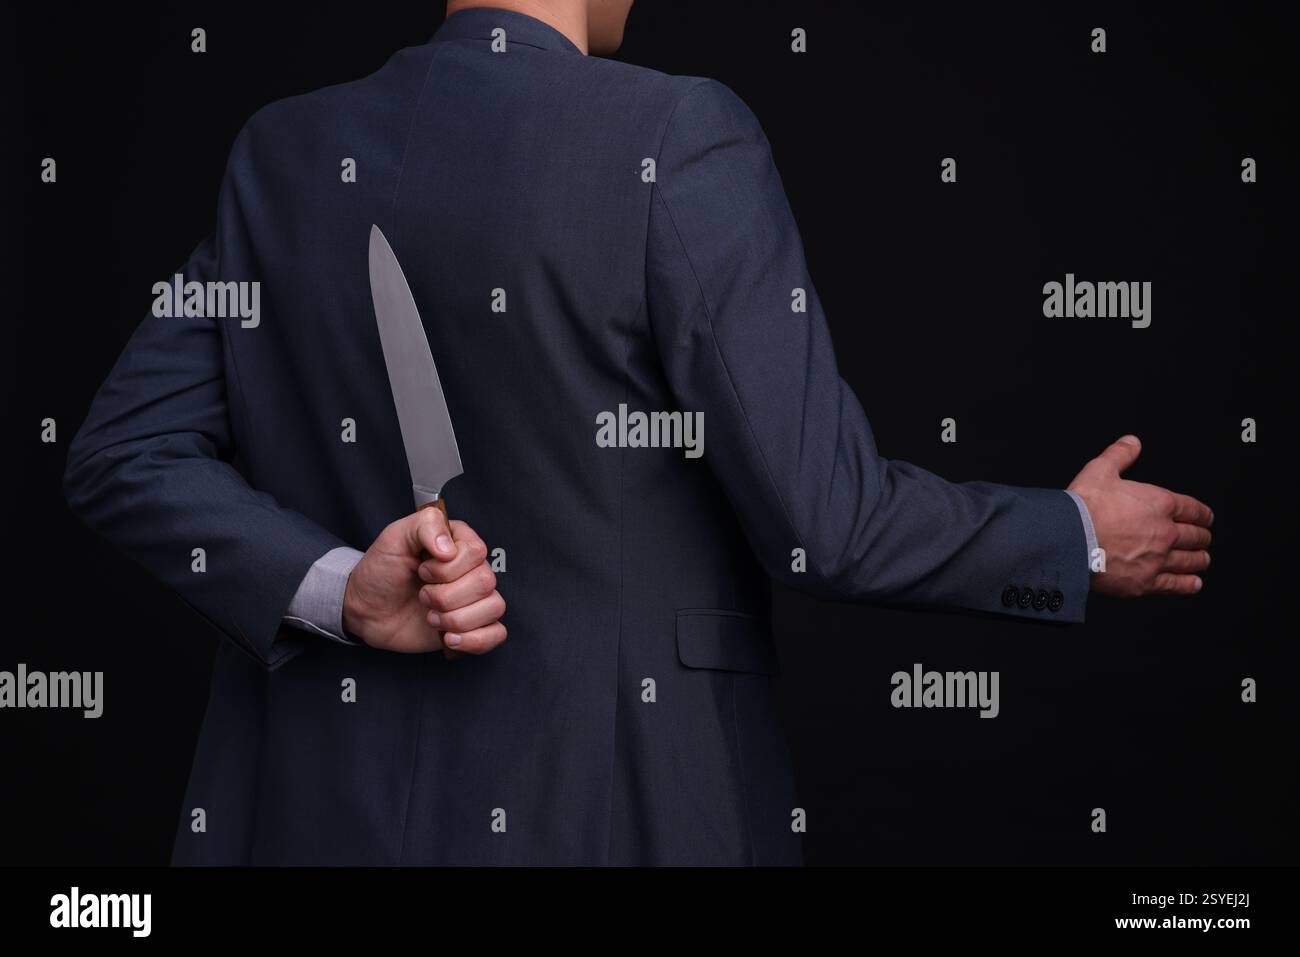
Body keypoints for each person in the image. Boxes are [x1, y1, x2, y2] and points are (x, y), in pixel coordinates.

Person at [64, 0, 1213, 865]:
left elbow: (123, 452)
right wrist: (1072, 539)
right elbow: (829, 525)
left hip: (302, 819)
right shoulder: (676, 132)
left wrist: (333, 590)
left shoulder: (283, 150)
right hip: (618, 811)